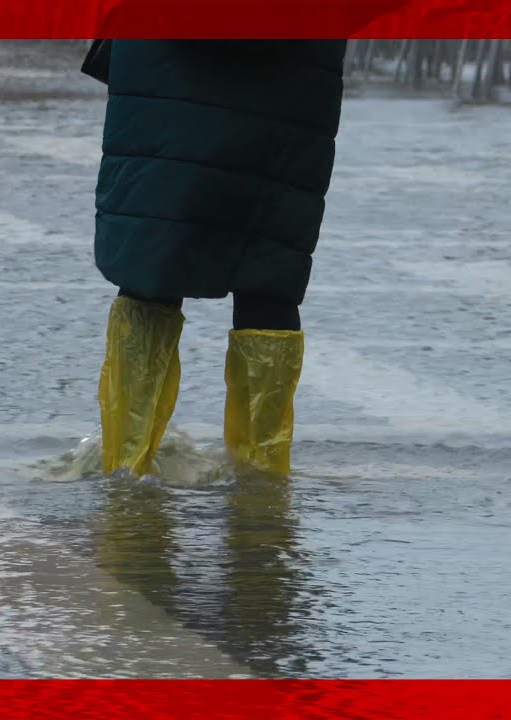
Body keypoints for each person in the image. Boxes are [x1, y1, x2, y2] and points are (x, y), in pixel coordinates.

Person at [91, 40, 347, 477]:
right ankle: (261, 474)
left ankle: (125, 466)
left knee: (150, 261)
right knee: (269, 273)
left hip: (165, 61)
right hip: (292, 67)